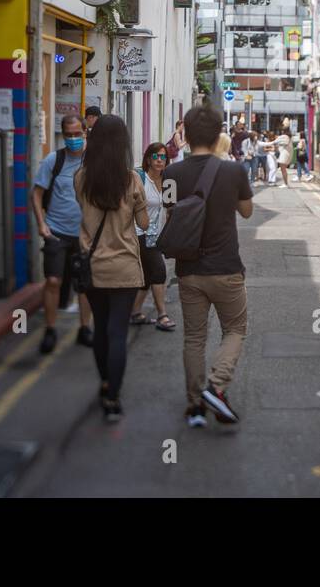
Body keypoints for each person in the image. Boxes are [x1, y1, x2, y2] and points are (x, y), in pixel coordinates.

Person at [164, 102, 253, 427]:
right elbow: (246, 212)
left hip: (189, 269)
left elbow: (171, 212)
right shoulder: (233, 171)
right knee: (235, 329)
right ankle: (216, 385)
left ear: (185, 134)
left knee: (194, 338)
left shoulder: (172, 173)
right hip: (227, 267)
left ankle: (195, 406)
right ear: (219, 136)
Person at [74, 113, 148, 421]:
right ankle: (113, 397)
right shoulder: (131, 179)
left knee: (101, 329)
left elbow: (85, 212)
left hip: (93, 266)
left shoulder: (81, 177)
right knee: (118, 332)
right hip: (125, 267)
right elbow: (143, 223)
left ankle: (105, 381)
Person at [31, 114, 94, 354]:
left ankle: (84, 328)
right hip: (56, 231)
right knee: (52, 281)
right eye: (68, 135)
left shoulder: (93, 162)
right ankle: (50, 329)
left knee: (84, 284)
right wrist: (41, 224)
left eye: (77, 134)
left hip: (85, 233)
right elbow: (36, 194)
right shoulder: (53, 161)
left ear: (85, 132)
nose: (73, 139)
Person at [130, 142, 176, 331]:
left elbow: (171, 209)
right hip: (138, 233)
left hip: (157, 235)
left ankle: (135, 312)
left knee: (148, 277)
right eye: (155, 156)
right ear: (148, 159)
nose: (159, 160)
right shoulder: (139, 177)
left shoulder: (169, 181)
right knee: (159, 272)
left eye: (163, 157)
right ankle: (162, 315)